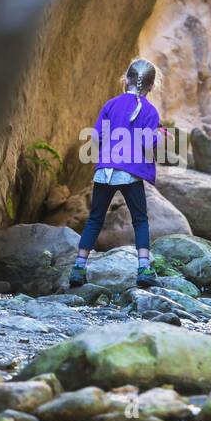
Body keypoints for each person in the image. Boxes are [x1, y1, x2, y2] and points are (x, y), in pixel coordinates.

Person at [71, 59, 164, 289]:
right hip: (130, 173)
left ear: (126, 80)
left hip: (106, 172)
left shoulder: (110, 104)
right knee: (140, 220)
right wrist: (159, 138)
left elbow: (95, 138)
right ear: (151, 86)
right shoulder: (150, 112)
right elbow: (148, 146)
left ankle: (78, 268)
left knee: (94, 219)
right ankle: (143, 269)